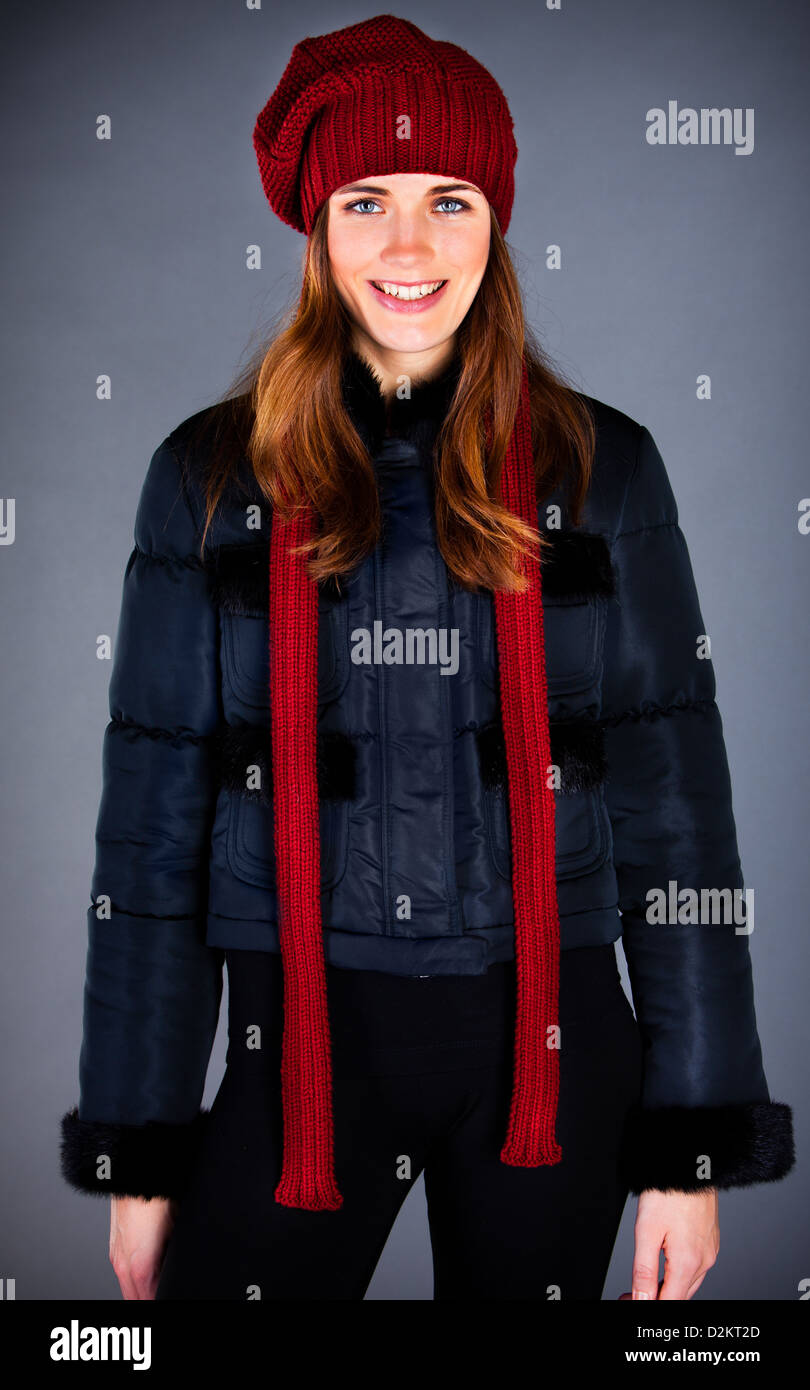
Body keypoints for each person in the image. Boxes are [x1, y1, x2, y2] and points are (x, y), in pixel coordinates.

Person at [59, 14, 795, 1302]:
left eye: (449, 200)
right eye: (366, 201)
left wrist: (693, 1146)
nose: (410, 247)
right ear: (316, 231)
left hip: (551, 1062)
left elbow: (680, 824)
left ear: (494, 224)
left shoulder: (603, 469)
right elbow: (153, 836)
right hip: (291, 1048)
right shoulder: (208, 477)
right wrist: (142, 1148)